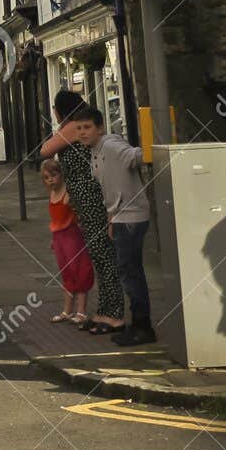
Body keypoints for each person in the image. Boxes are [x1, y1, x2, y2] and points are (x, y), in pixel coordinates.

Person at [39, 90, 124, 334]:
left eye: (55, 109)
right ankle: (104, 312)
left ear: (61, 110)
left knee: (103, 257)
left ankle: (113, 314)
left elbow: (46, 149)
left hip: (91, 201)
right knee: (99, 257)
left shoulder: (73, 126)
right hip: (84, 202)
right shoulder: (78, 127)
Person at [72, 105, 155, 345]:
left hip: (131, 217)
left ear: (99, 128)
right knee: (128, 272)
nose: (83, 133)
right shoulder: (95, 150)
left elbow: (137, 156)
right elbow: (110, 189)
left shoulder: (109, 145)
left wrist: (153, 145)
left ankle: (143, 327)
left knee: (131, 274)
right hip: (120, 217)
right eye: (79, 128)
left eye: (87, 127)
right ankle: (138, 324)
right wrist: (111, 218)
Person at [40, 157, 94, 323]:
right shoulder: (52, 194)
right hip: (59, 238)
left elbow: (80, 214)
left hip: (72, 236)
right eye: (47, 178)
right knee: (66, 273)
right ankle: (67, 310)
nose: (51, 180)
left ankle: (81, 311)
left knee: (79, 271)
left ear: (61, 174)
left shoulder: (68, 193)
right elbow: (55, 219)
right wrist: (53, 239)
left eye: (53, 175)